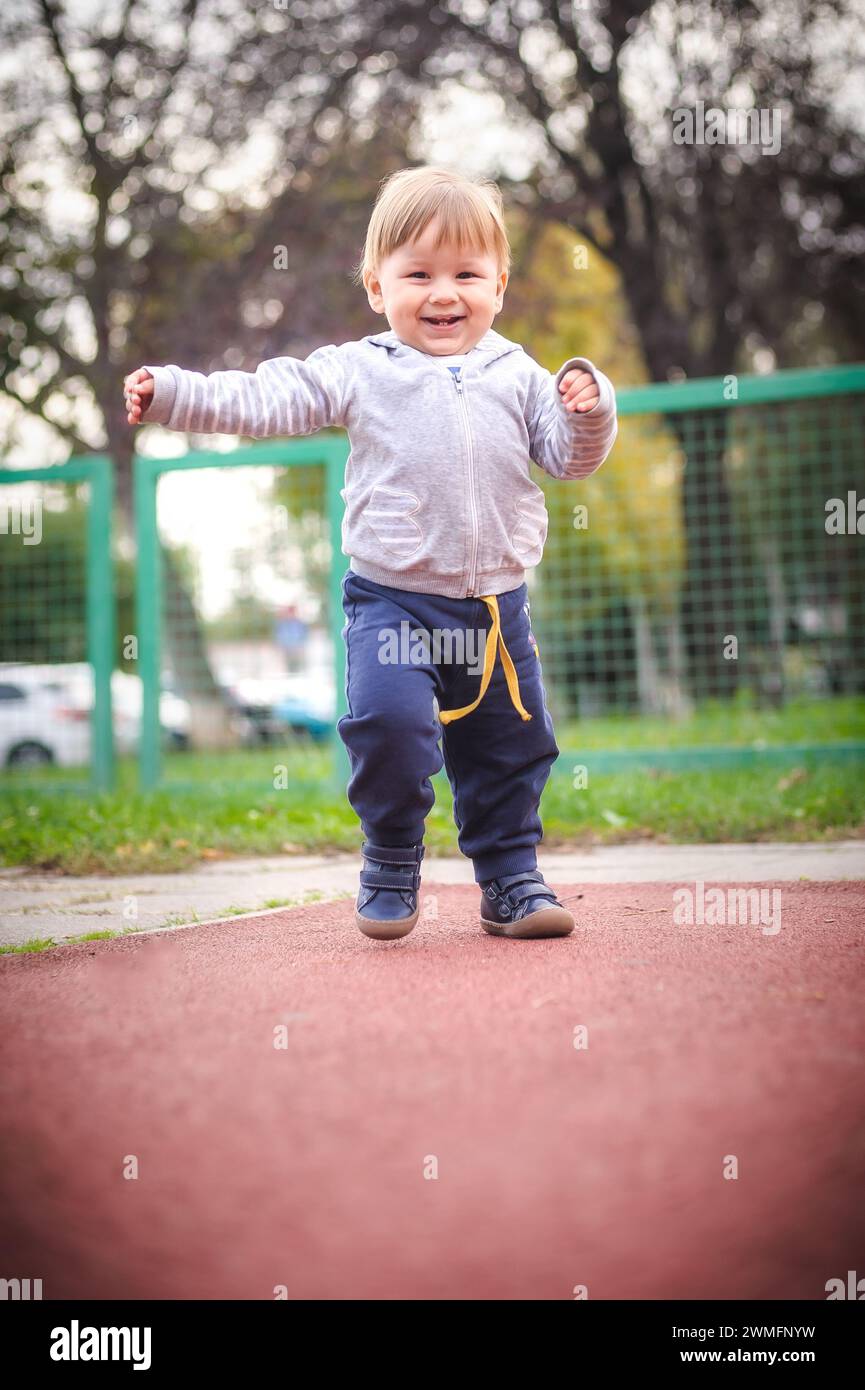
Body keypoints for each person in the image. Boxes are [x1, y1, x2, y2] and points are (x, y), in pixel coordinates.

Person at [123, 165, 618, 943]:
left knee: (510, 749)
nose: (443, 292)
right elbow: (271, 395)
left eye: (466, 273)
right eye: (417, 273)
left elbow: (567, 457)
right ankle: (390, 857)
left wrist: (588, 409)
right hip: (393, 601)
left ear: (499, 285)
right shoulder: (361, 369)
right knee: (388, 728)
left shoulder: (519, 375)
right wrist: (177, 393)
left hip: (495, 609)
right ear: (376, 287)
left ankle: (511, 879)